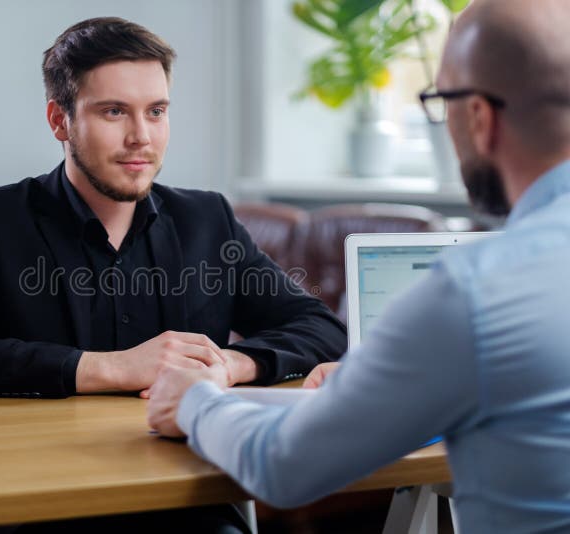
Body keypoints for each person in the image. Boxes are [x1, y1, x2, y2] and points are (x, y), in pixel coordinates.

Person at [147, 1, 570, 532]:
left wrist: (196, 401)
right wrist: (382, 383)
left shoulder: (477, 293)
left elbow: (284, 467)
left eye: (440, 102)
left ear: (481, 118)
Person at [0, 16, 346, 534]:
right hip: (33, 498)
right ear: (60, 120)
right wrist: (113, 368)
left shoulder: (207, 220)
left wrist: (228, 366)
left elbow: (320, 327)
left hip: (183, 500)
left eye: (157, 111)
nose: (141, 137)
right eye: (114, 111)